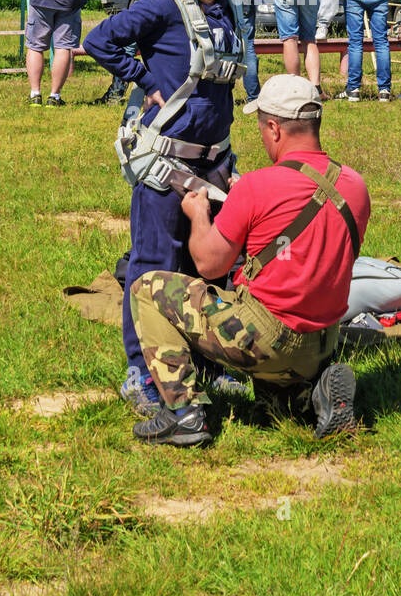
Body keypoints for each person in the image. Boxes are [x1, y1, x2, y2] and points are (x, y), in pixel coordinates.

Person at [129, 74, 371, 447]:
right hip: (321, 342)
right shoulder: (354, 186)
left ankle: (184, 412)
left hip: (267, 338)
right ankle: (317, 392)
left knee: (147, 290)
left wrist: (199, 215)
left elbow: (210, 265)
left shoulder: (259, 186)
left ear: (274, 128)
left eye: (261, 128)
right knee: (272, 409)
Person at [82, 0, 245, 416]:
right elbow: (99, 41)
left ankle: (208, 363)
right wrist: (143, 78)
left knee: (208, 268)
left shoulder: (224, 6)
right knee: (152, 267)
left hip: (214, 162)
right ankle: (142, 375)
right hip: (164, 165)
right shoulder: (162, 4)